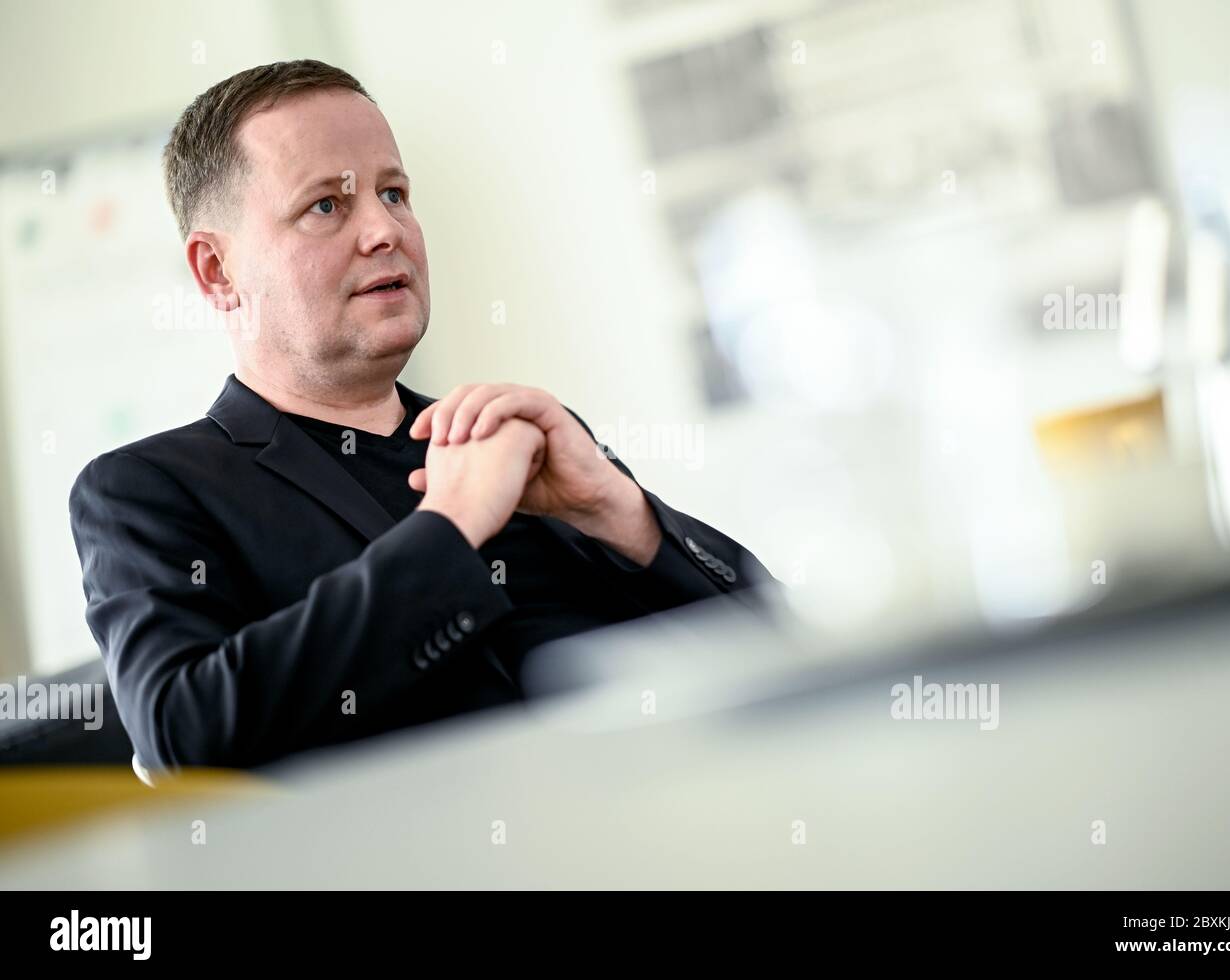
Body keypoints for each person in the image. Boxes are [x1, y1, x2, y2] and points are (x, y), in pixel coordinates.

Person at [68, 60, 776, 772]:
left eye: (394, 193)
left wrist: (622, 514)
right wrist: (451, 527)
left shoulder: (520, 444)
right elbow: (185, 737)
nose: (385, 229)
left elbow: (787, 645)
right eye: (326, 206)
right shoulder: (146, 492)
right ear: (218, 272)